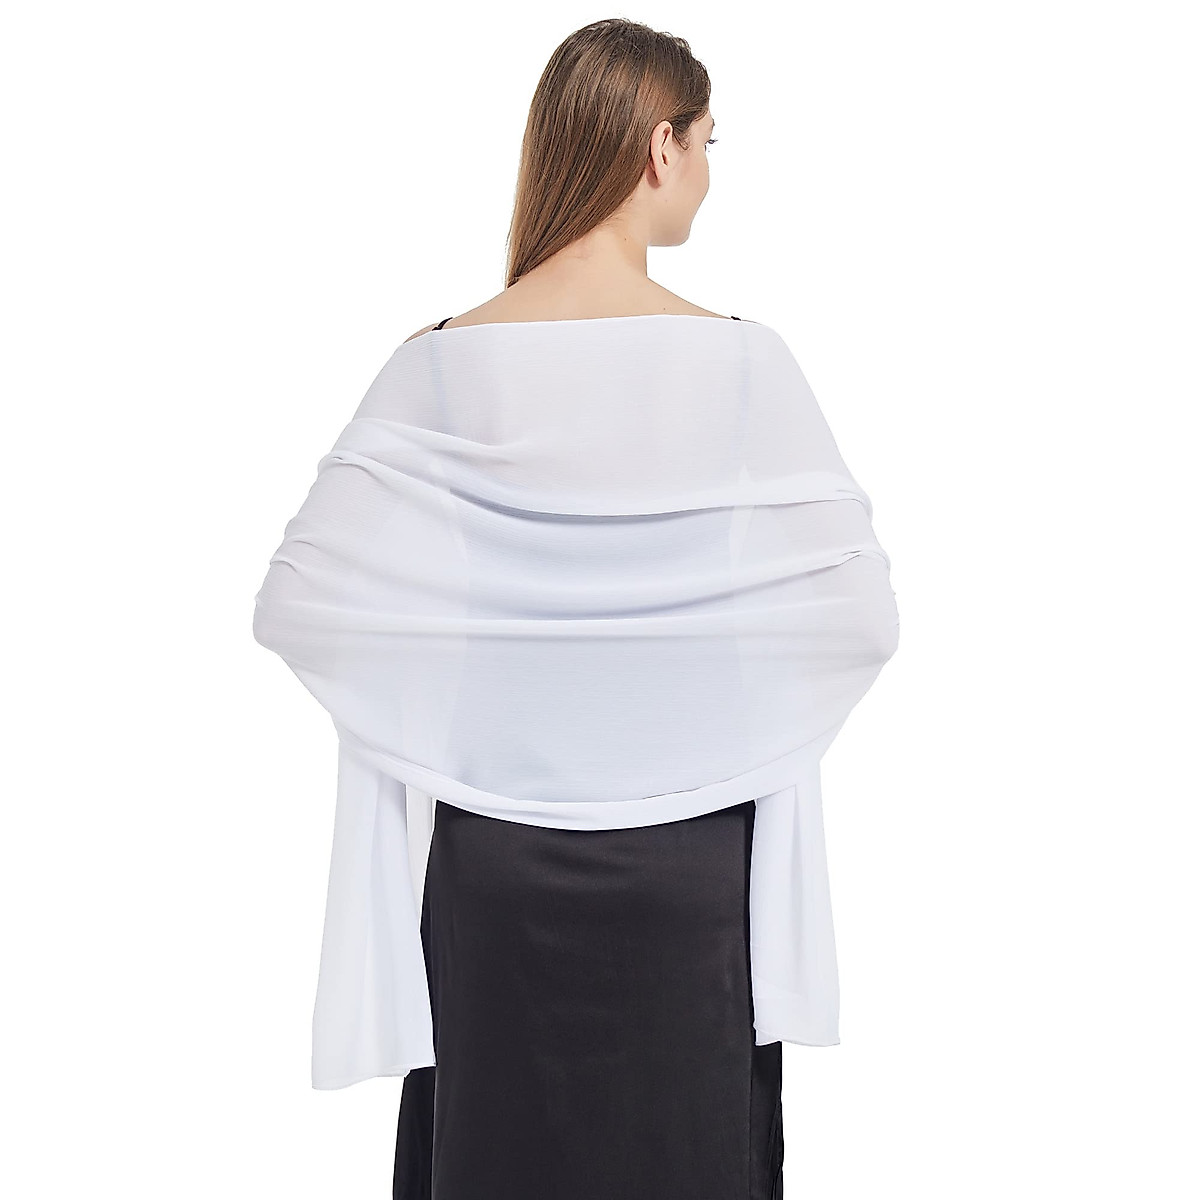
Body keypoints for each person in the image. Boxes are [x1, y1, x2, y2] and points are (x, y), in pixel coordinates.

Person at [252, 17, 900, 1200]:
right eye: (709, 142)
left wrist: (466, 719)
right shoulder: (744, 362)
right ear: (660, 147)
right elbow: (859, 620)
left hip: (492, 863)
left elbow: (300, 605)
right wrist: (710, 712)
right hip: (693, 866)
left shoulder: (440, 358)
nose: (708, 169)